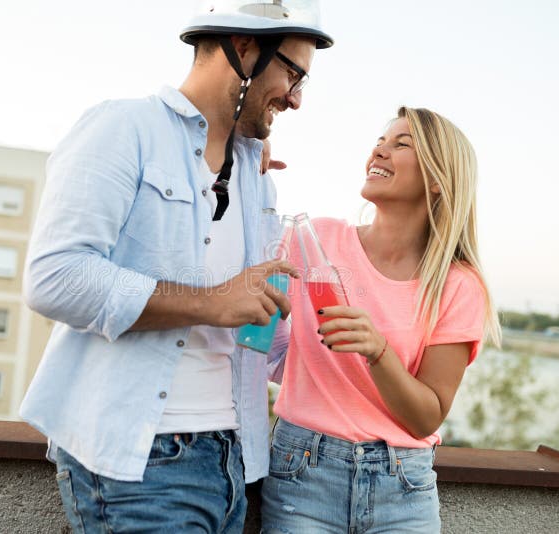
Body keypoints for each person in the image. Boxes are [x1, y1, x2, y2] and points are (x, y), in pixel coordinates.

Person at [19, 1, 333, 532]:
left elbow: (252, 318)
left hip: (235, 458)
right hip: (142, 461)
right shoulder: (123, 127)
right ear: (244, 47)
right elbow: (56, 278)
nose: (297, 98)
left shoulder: (258, 175)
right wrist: (212, 303)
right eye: (292, 72)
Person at [262, 106, 502, 533]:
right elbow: (264, 345)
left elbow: (426, 416)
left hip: (403, 489)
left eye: (401, 143)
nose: (380, 150)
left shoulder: (458, 285)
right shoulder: (312, 238)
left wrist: (379, 352)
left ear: (436, 179)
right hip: (302, 472)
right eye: (380, 141)